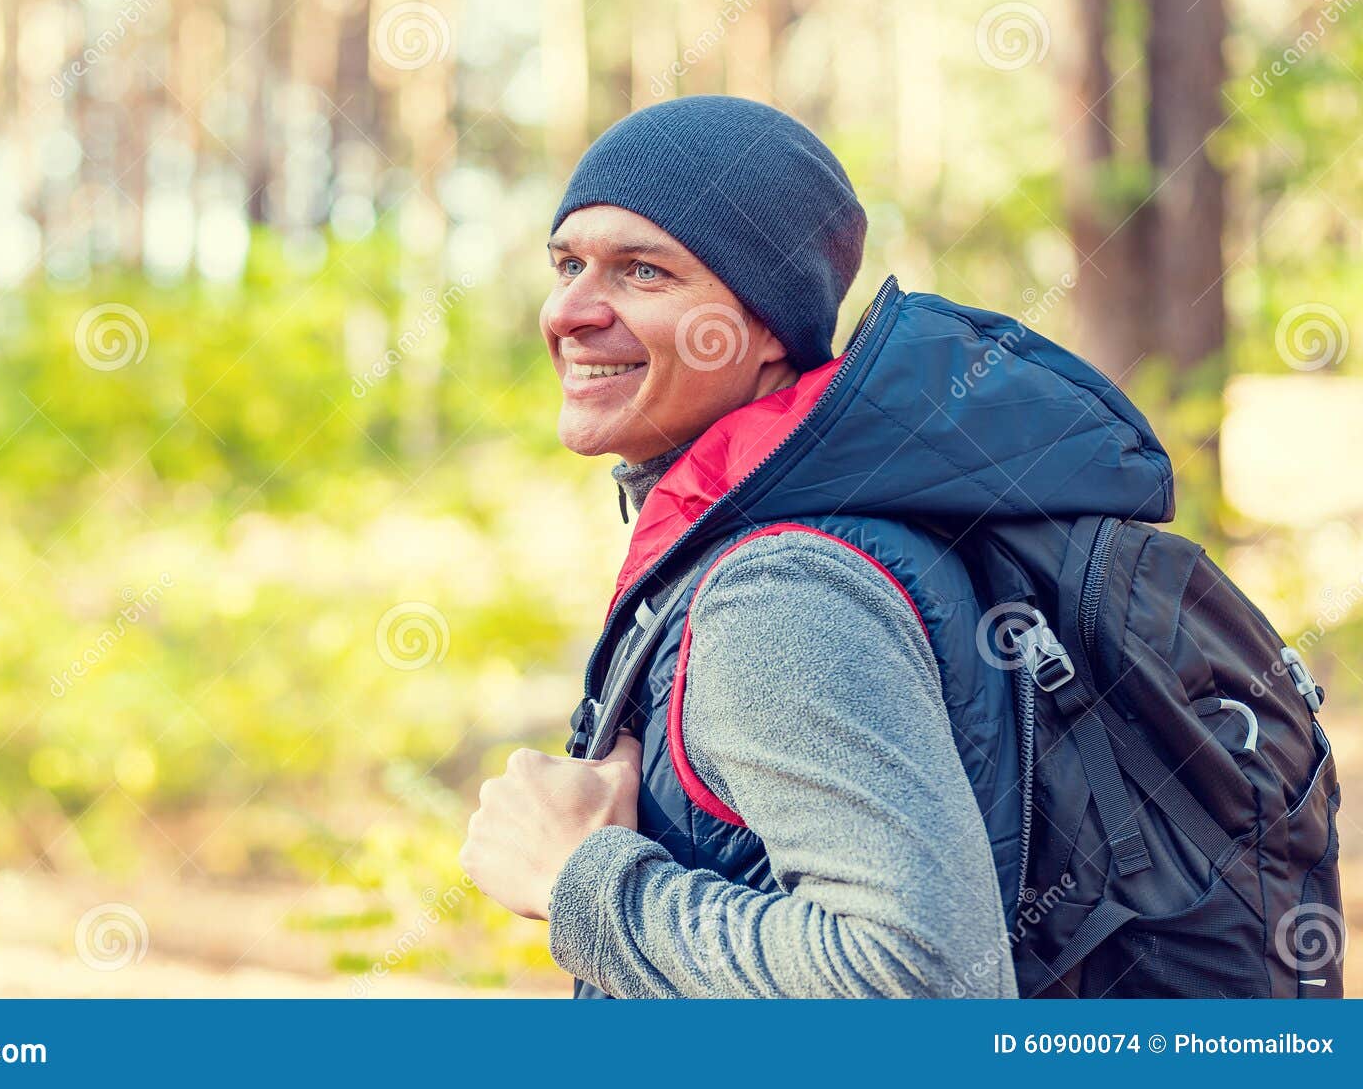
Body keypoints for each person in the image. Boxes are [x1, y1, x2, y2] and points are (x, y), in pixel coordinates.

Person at [459, 95, 1165, 998]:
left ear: (767, 326)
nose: (570, 311)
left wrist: (578, 880)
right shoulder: (819, 522)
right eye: (568, 264)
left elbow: (920, 983)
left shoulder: (781, 587)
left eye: (642, 271)